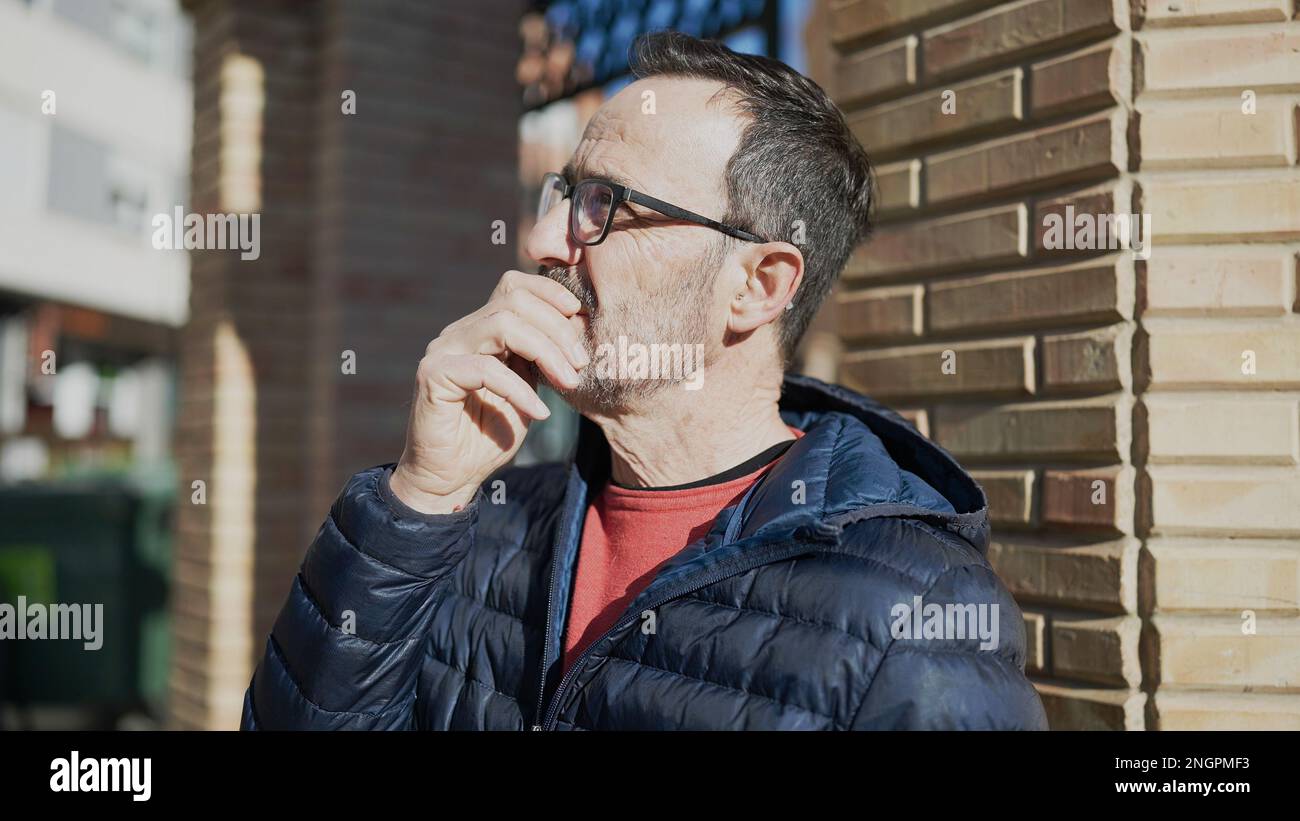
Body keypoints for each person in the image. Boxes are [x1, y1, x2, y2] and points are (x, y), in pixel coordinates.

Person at [241, 31, 1047, 731]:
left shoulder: (917, 613)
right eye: (565, 194)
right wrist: (417, 498)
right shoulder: (484, 523)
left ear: (758, 285)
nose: (544, 238)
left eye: (604, 202)